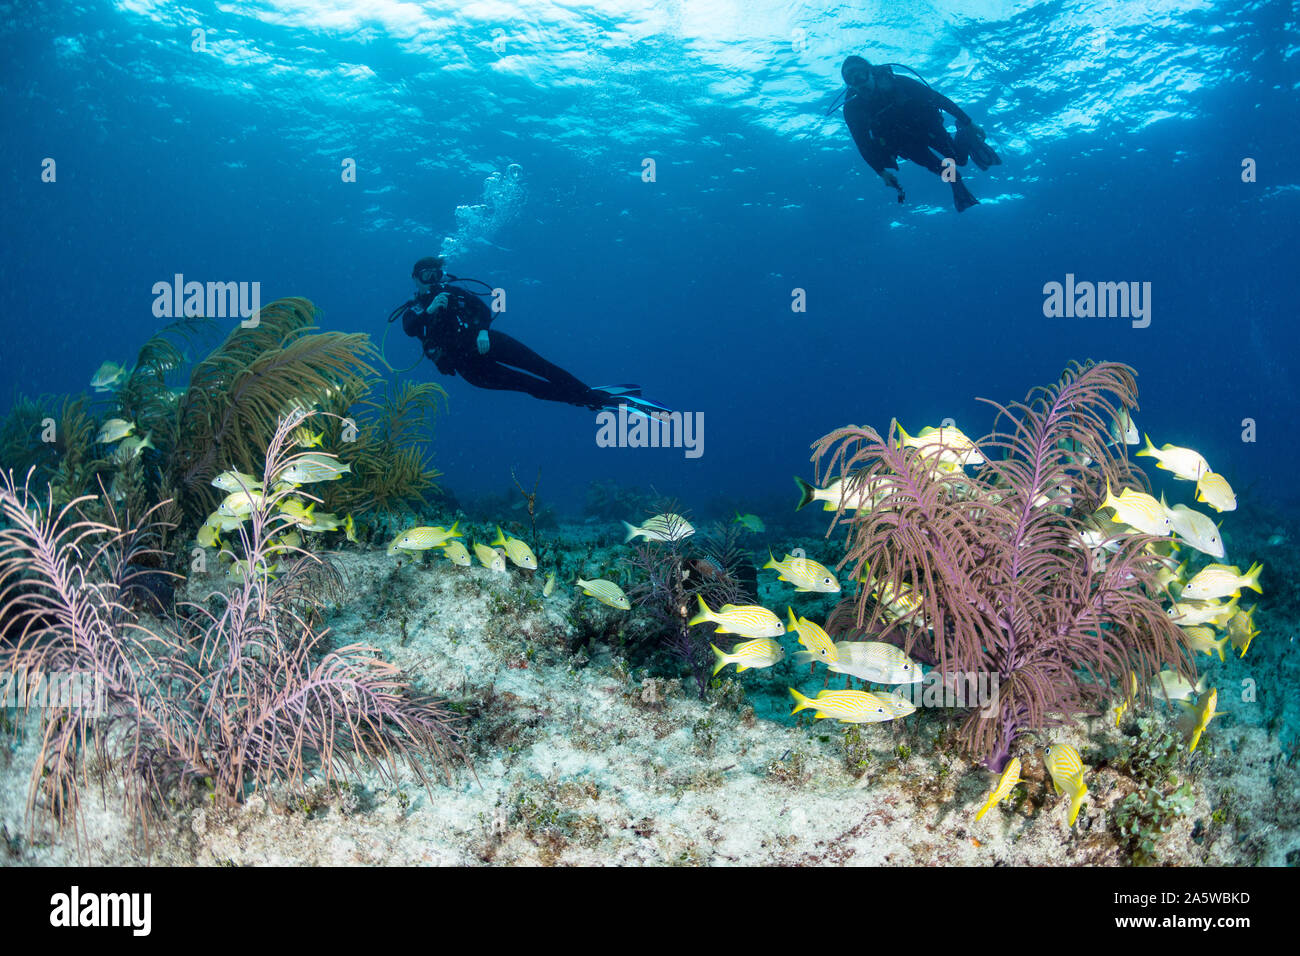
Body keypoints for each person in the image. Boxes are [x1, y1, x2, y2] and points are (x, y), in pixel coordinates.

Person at [391, 257, 667, 414]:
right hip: (470, 368)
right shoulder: (413, 308)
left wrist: (483, 332)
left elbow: (483, 311)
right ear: (415, 278)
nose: (434, 279)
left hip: (487, 343)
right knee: (529, 386)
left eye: (437, 273)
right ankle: (589, 400)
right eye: (427, 275)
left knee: (541, 366)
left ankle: (593, 395)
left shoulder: (455, 293)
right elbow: (410, 329)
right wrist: (430, 311)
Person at [838, 55, 1000, 213]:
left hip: (927, 127)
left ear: (871, 72)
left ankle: (964, 135)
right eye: (850, 79)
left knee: (960, 159)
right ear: (848, 84)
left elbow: (937, 99)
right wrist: (881, 172)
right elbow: (862, 142)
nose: (857, 81)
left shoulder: (897, 83)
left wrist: (968, 122)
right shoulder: (852, 108)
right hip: (904, 144)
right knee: (944, 171)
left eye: (860, 74)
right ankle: (955, 181)